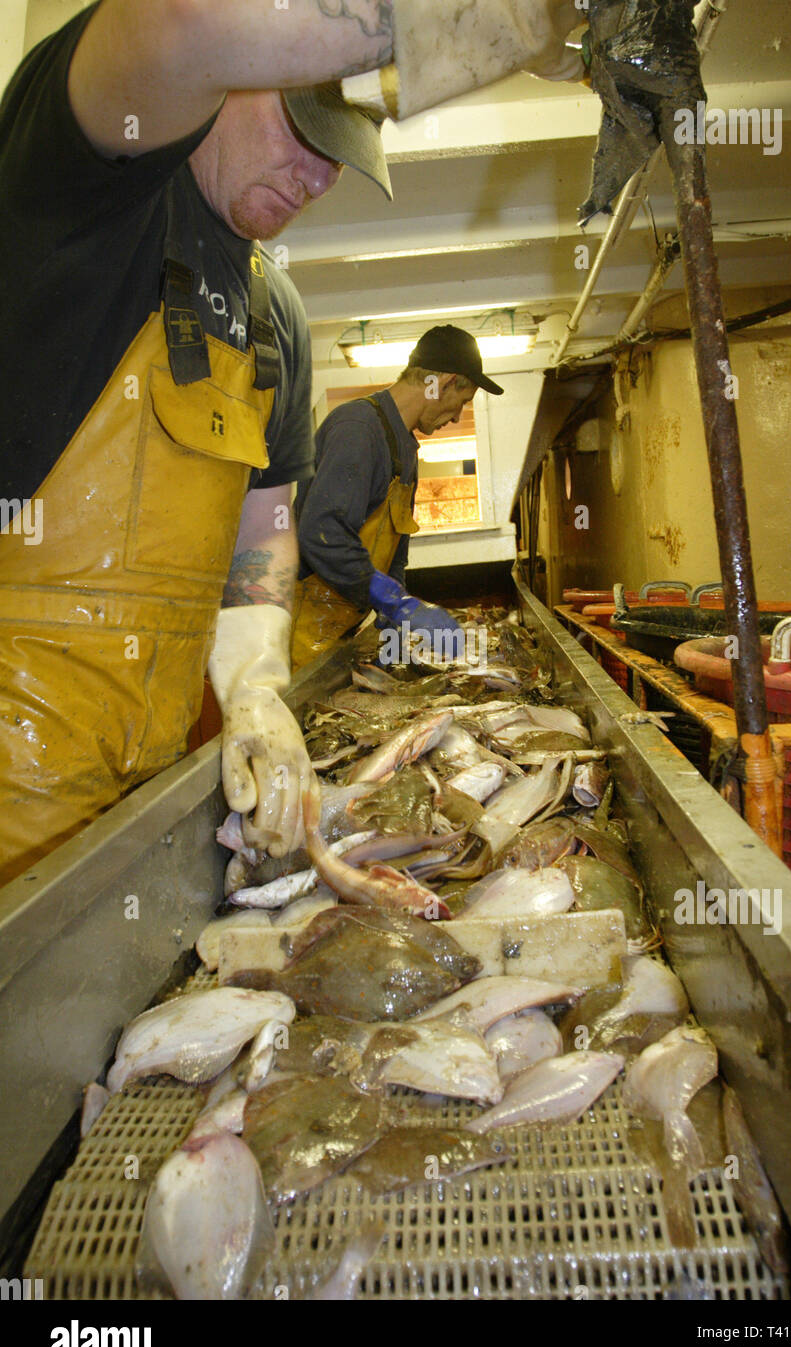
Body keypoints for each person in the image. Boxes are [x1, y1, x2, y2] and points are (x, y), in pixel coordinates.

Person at [0, 0, 581, 890]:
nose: (319, 180)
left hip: (151, 781)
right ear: (223, 86)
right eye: (302, 127)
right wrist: (495, 16)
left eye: (341, 160)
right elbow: (175, 21)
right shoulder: (85, 192)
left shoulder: (278, 315)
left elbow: (267, 525)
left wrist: (258, 684)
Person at [292, 325, 503, 667]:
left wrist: (394, 621)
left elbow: (395, 552)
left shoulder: (405, 448)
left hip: (340, 629)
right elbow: (322, 535)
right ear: (446, 382)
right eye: (462, 403)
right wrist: (397, 603)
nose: (457, 417)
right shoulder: (358, 428)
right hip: (300, 632)